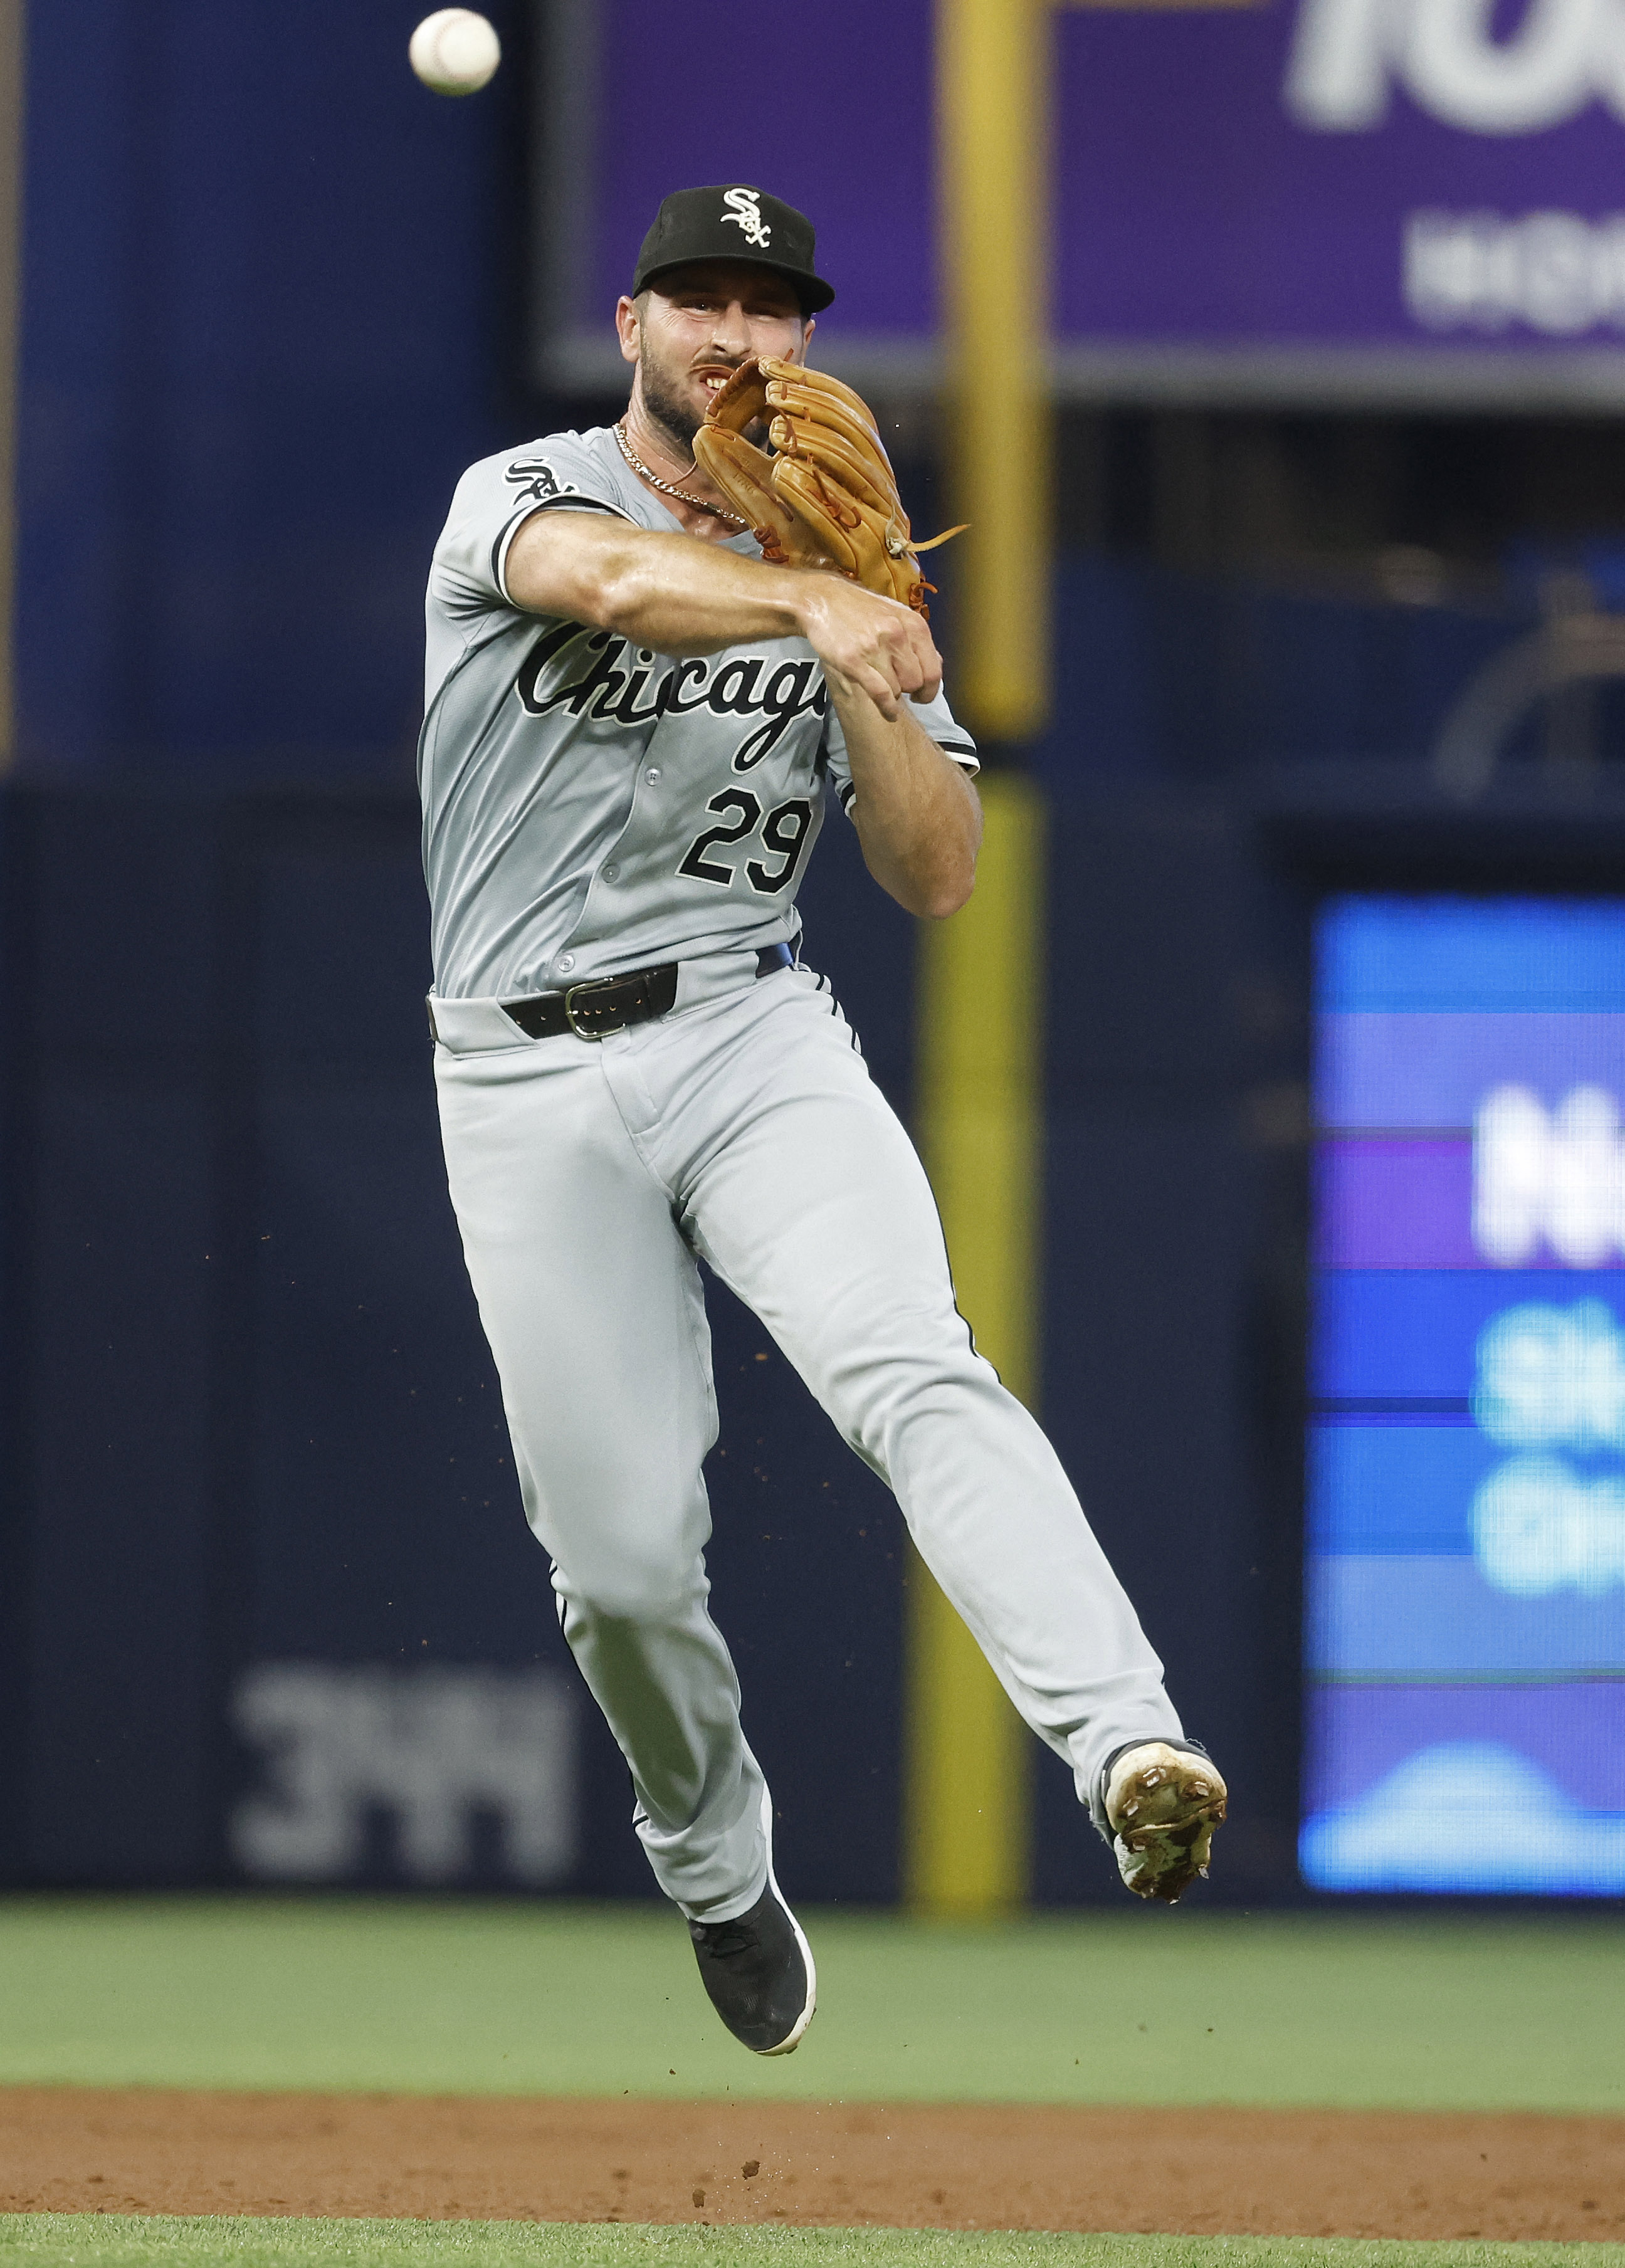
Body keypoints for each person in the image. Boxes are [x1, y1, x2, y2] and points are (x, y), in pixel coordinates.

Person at [418, 184, 1226, 2057]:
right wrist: (812, 597)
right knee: (619, 1565)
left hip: (748, 1029)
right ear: (631, 329)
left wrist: (876, 664)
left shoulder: (856, 569)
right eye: (700, 300)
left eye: (774, 311)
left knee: (912, 1368)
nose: (739, 336)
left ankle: (1128, 1748)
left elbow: (935, 872)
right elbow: (609, 591)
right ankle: (713, 1860)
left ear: (808, 350)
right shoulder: (519, 496)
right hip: (523, 1066)